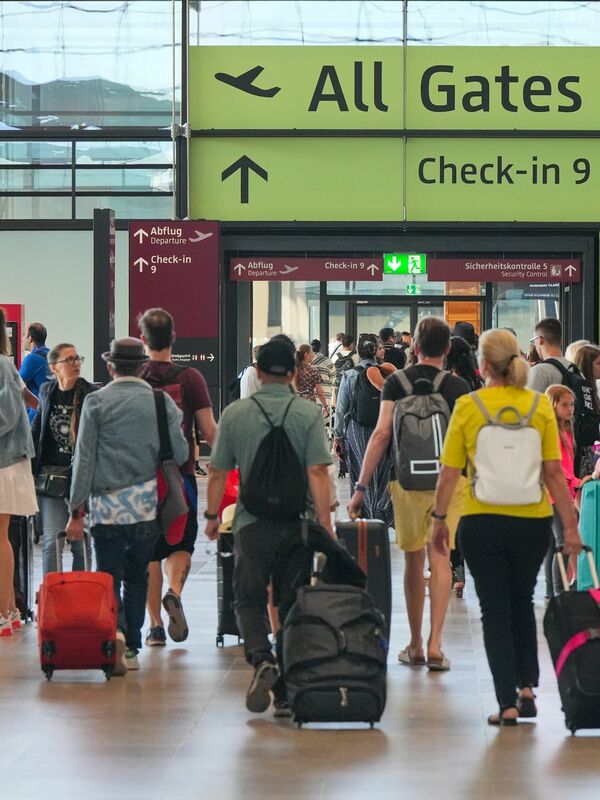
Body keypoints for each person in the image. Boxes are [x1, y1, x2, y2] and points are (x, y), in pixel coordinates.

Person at [431, 329, 582, 726]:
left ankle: (507, 703)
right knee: (522, 601)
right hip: (532, 521)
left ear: (483, 365)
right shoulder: (539, 406)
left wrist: (439, 520)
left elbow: (449, 473)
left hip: (481, 521)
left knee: (494, 610)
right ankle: (528, 686)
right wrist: (570, 528)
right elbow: (553, 473)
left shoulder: (469, 406)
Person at [204, 340, 333, 716]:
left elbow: (217, 471)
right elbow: (318, 471)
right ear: (292, 373)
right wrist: (325, 524)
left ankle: (262, 658)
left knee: (247, 598)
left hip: (251, 522)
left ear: (258, 373)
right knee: (290, 602)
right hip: (296, 522)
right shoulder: (307, 413)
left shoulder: (236, 413)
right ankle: (288, 694)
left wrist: (211, 516)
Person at [348, 317, 469, 671]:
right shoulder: (457, 386)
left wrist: (360, 487)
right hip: (449, 484)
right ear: (447, 348)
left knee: (414, 561)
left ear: (414, 347)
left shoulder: (396, 383)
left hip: (406, 482)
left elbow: (381, 435)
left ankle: (415, 644)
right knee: (440, 557)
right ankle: (435, 645)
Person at [65, 338, 187, 675]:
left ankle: (115, 632)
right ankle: (132, 647)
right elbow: (180, 454)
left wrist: (75, 509)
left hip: (105, 506)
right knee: (137, 576)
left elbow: (84, 459)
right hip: (146, 505)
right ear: (144, 368)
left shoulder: (95, 402)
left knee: (108, 576)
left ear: (110, 367)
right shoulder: (161, 402)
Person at [138, 308, 218, 647]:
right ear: (173, 337)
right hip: (180, 476)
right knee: (181, 543)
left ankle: (155, 627)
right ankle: (174, 591)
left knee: (149, 553)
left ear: (143, 339)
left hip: (142, 480)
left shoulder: (135, 377)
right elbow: (210, 431)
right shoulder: (191, 378)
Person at [32, 343, 97, 575]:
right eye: (69, 360)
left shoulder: (91, 394)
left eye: (77, 358)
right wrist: (31, 470)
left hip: (81, 477)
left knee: (81, 542)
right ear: (54, 367)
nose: (75, 363)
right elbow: (37, 431)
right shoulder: (47, 391)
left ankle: (82, 591)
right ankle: (52, 591)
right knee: (52, 541)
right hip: (50, 478)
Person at [0, 310, 38, 637]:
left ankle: (5, 612)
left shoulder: (2, 366)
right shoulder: (7, 365)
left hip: (5, 461)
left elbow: (8, 413)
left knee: (0, 537)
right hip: (11, 460)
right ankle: (9, 610)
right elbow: (29, 402)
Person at [334, 335, 395, 526]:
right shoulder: (387, 373)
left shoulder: (350, 375)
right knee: (383, 472)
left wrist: (338, 436)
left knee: (361, 471)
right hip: (383, 426)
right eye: (380, 347)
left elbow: (341, 409)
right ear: (374, 351)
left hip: (357, 429)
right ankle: (382, 510)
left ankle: (364, 516)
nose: (383, 350)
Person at [444, 335, 483, 595]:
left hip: (449, 453)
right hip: (474, 454)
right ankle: (466, 568)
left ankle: (455, 570)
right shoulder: (476, 381)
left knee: (449, 514)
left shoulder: (446, 382)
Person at [543, 385, 581, 597]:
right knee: (563, 542)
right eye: (565, 405)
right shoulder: (550, 430)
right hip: (553, 493)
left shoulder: (567, 428)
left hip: (563, 492)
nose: (570, 409)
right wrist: (576, 481)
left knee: (553, 544)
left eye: (572, 405)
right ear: (552, 405)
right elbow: (554, 466)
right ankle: (559, 592)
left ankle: (552, 591)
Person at [572, 344, 600, 475]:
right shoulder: (583, 386)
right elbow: (588, 420)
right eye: (598, 364)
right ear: (587, 365)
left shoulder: (588, 386)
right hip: (583, 449)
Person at [527, 317, 570, 393]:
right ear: (560, 340)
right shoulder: (574, 369)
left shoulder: (540, 371)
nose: (535, 345)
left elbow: (530, 400)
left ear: (540, 340)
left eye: (534, 341)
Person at [19, 322, 51, 422]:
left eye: (24, 334)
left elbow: (17, 385)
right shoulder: (51, 356)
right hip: (51, 413)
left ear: (30, 338)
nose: (22, 338)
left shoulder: (32, 359)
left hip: (36, 415)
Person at [295, 344, 328, 409]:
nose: (313, 355)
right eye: (312, 353)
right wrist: (325, 406)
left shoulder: (292, 370)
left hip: (295, 404)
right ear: (306, 354)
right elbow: (320, 392)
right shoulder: (313, 371)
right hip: (309, 405)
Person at [310, 339, 336, 408]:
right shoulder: (328, 361)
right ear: (320, 349)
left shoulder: (308, 362)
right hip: (326, 396)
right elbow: (333, 378)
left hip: (312, 396)